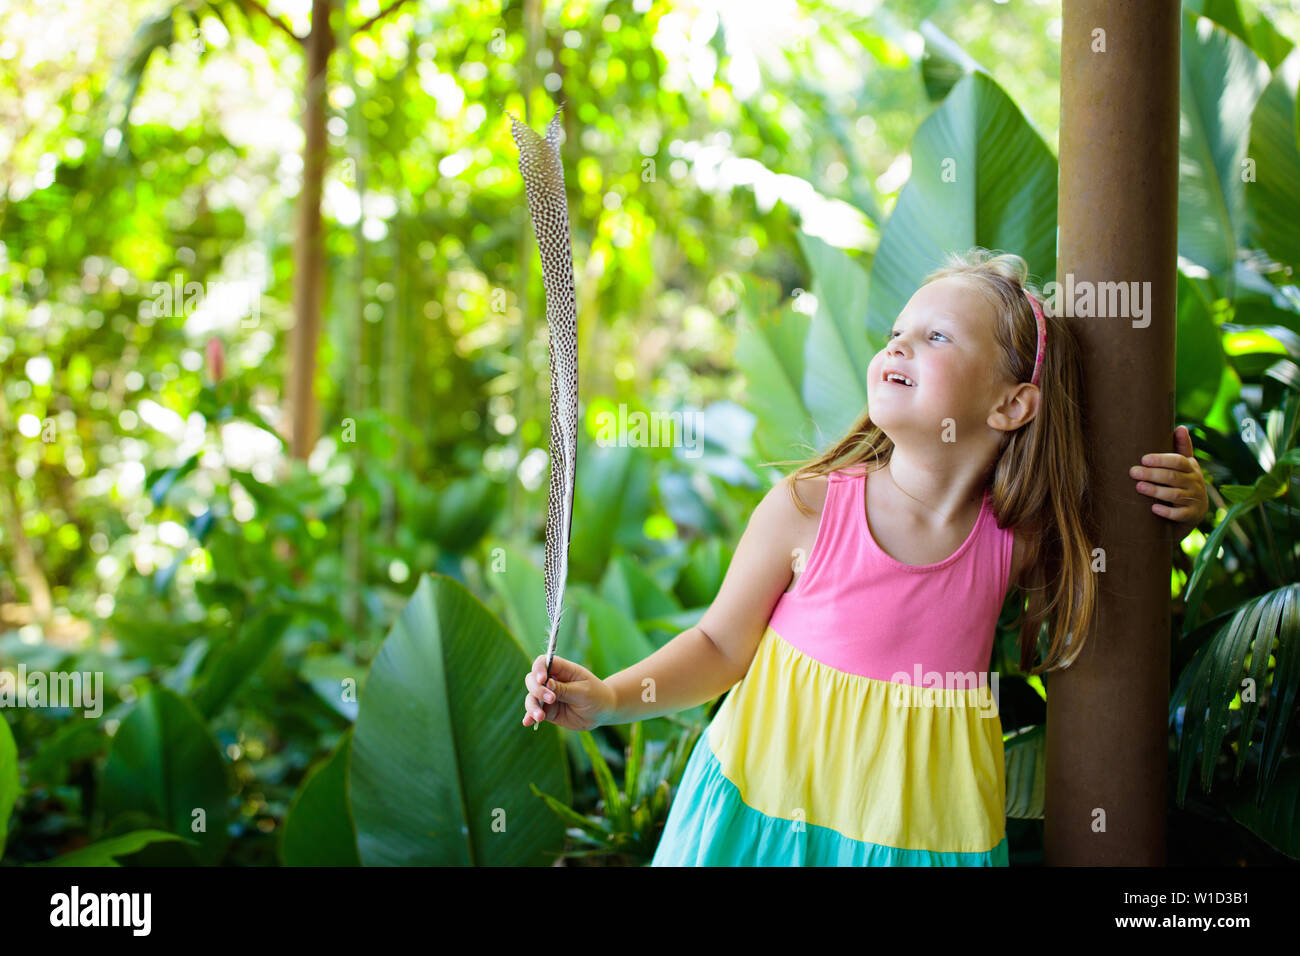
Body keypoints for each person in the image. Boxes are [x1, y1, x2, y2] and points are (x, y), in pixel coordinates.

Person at [521, 247, 1209, 866]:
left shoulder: (1011, 545)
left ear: (1011, 405)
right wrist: (610, 698)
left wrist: (1183, 511)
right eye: (895, 335)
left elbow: (1109, 568)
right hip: (766, 822)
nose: (898, 347)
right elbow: (718, 645)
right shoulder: (809, 509)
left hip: (916, 838)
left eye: (935, 337)